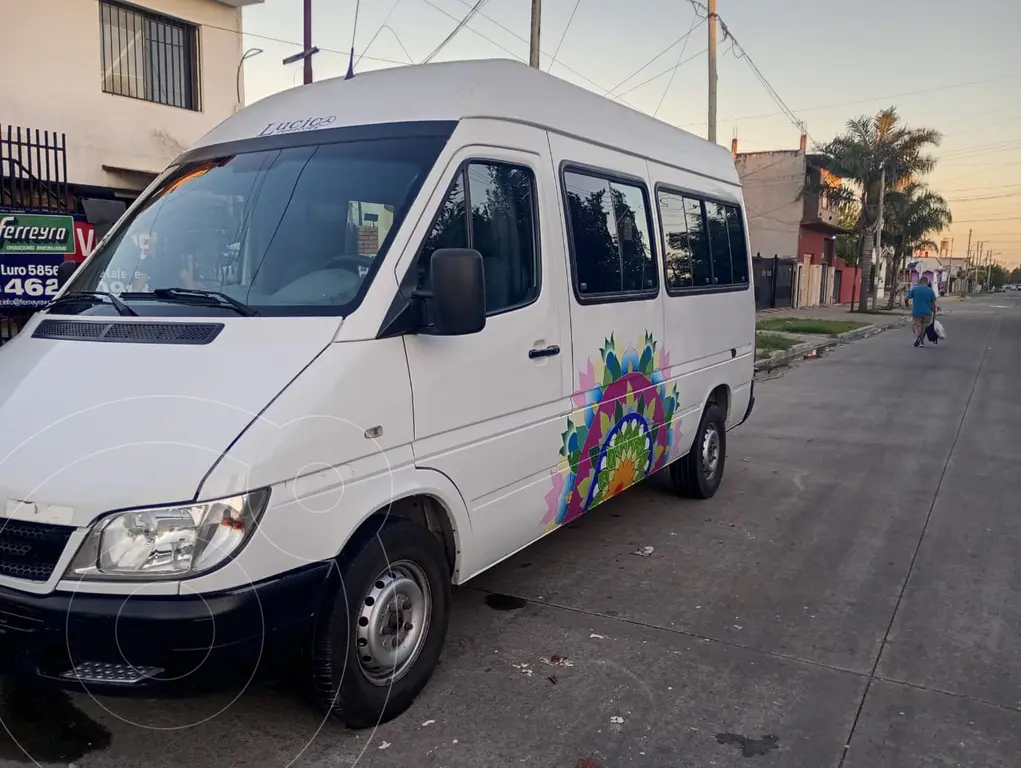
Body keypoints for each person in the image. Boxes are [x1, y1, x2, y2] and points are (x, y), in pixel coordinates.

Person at [905, 276, 937, 347]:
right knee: (924, 327)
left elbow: (906, 298)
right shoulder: (930, 291)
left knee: (915, 325)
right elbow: (933, 303)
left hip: (917, 312)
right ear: (927, 282)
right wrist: (934, 312)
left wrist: (906, 304)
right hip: (927, 313)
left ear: (919, 282)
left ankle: (919, 335)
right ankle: (921, 341)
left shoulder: (914, 289)